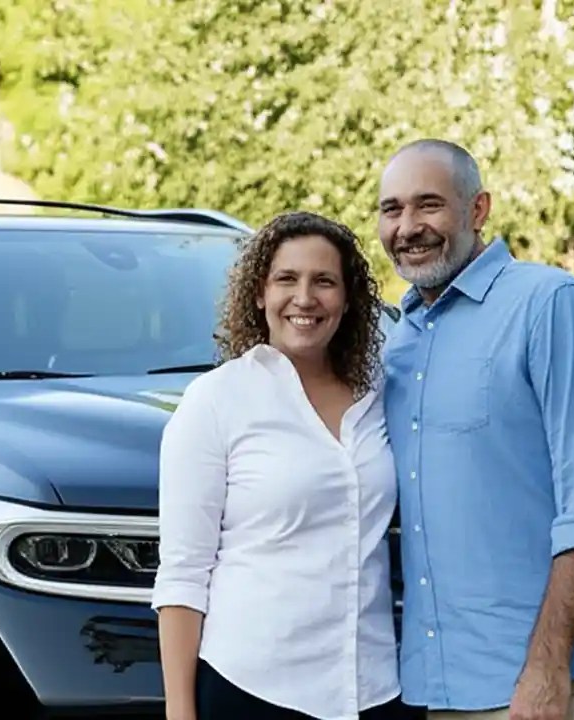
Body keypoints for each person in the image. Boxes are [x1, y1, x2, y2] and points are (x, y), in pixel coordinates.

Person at [375, 139, 574, 720]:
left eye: (429, 205)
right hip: (435, 686)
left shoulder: (549, 303)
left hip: (551, 684)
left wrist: (548, 667)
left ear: (478, 209)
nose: (408, 227)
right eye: (391, 209)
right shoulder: (400, 340)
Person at [152, 211, 415, 720]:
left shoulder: (380, 396)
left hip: (375, 690)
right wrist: (180, 712)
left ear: (348, 299)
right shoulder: (216, 400)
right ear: (259, 293)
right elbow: (184, 573)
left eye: (324, 281)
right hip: (253, 689)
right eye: (286, 279)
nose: (305, 298)